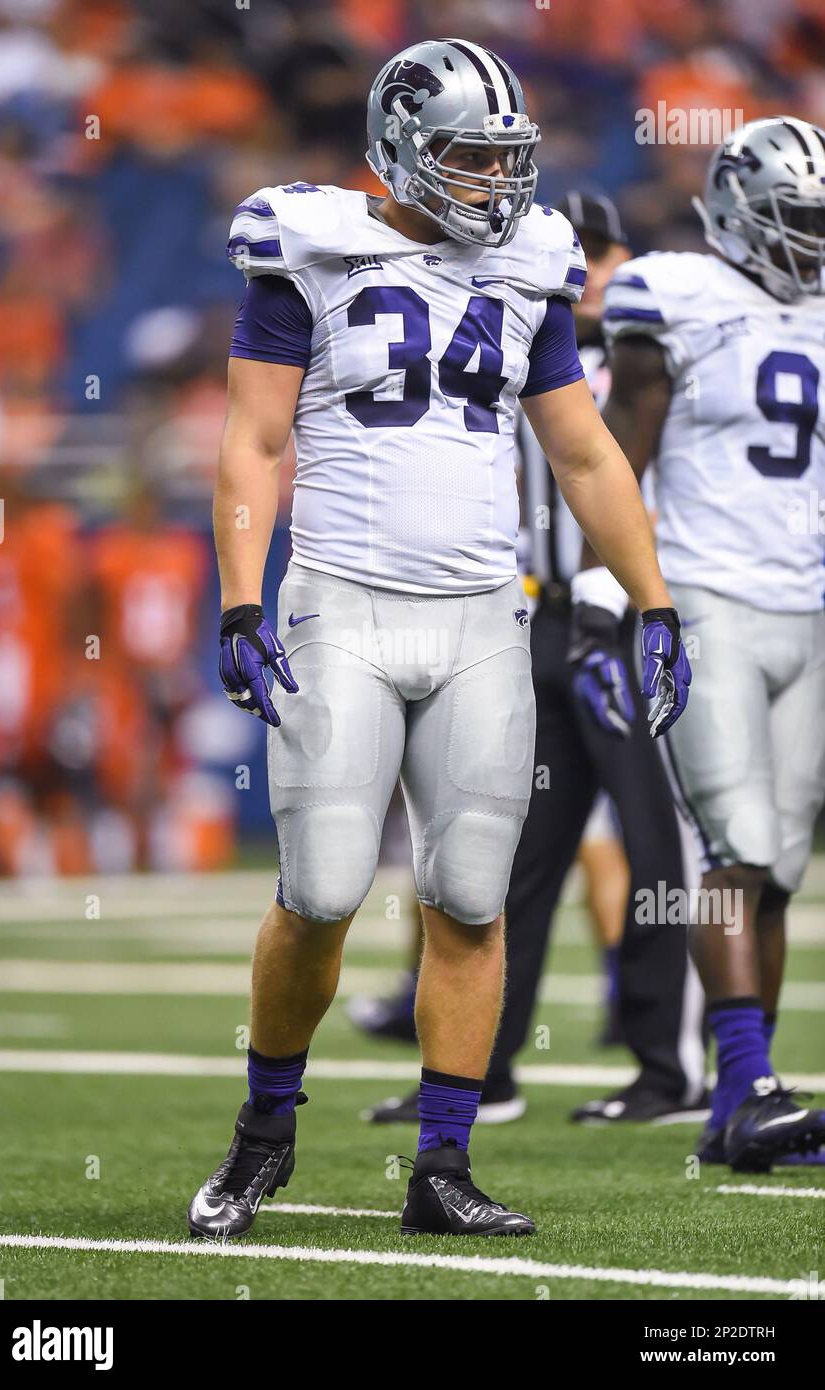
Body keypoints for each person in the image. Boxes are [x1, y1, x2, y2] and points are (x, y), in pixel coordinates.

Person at [187, 38, 689, 1242]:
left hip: (479, 615)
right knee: (318, 891)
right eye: (469, 152)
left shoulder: (526, 264)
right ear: (401, 142)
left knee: (469, 898)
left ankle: (444, 1165)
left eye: (506, 156)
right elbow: (256, 443)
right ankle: (263, 1135)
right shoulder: (304, 247)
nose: (492, 179)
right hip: (342, 603)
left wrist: (654, 598)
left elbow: (581, 452)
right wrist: (243, 599)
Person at [366, 193, 706, 1130]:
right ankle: (484, 1073)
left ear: (626, 259)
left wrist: (633, 608)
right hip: (535, 619)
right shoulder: (521, 332)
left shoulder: (652, 353)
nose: (588, 270)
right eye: (578, 253)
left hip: (626, 620)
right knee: (509, 854)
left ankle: (667, 1070)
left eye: (602, 253)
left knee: (652, 844)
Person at [578, 117, 825, 1170]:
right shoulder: (674, 296)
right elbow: (616, 455)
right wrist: (607, 596)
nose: (811, 239)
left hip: (806, 608)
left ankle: (740, 1104)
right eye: (797, 218)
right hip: (703, 597)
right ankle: (746, 1083)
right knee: (729, 845)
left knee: (776, 866)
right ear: (736, 212)